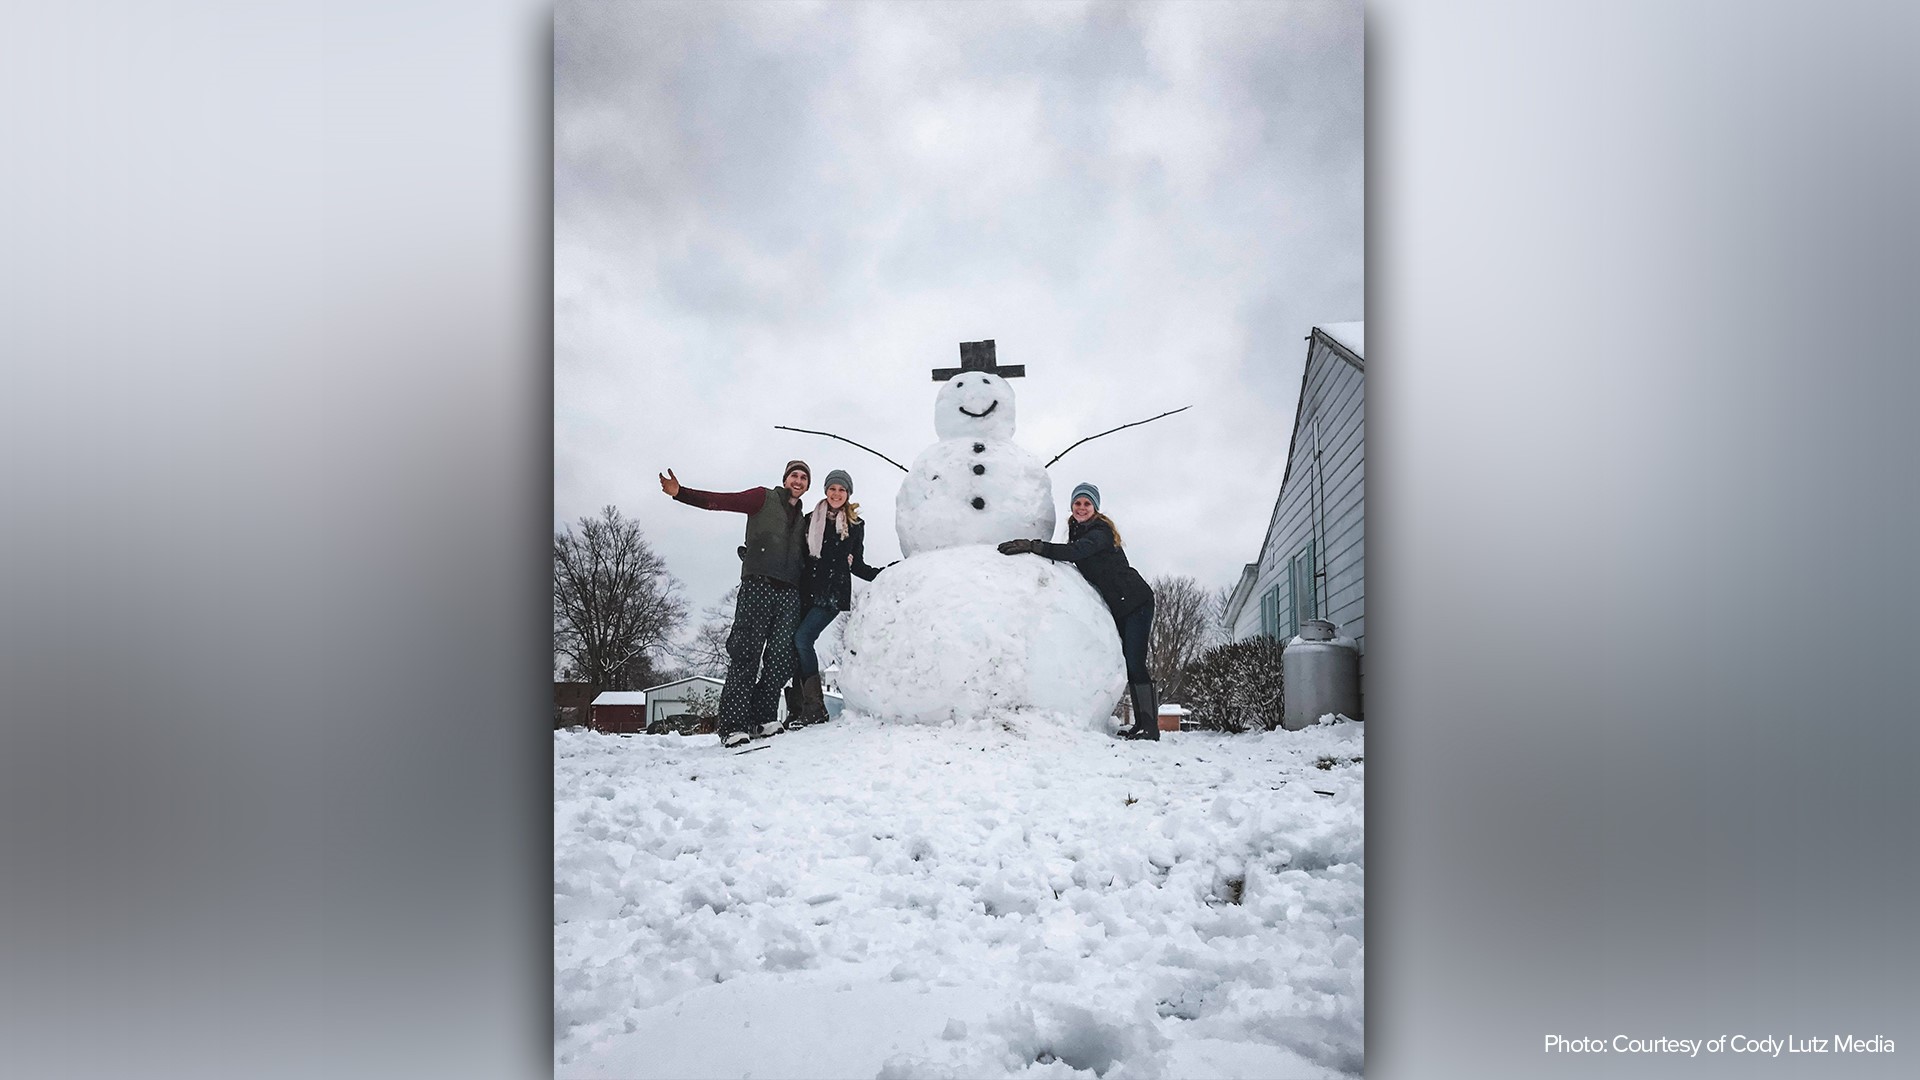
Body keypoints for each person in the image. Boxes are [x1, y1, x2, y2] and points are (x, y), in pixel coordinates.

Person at [660, 460, 812, 747]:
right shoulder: (762, 498)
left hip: (789, 593)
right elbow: (722, 501)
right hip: (758, 586)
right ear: (785, 478)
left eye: (804, 477)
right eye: (795, 474)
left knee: (781, 659)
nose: (799, 480)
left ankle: (763, 717)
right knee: (746, 655)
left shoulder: (805, 521)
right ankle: (733, 725)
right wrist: (681, 493)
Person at [997, 482, 1160, 740]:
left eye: (1087, 504)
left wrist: (1034, 545)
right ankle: (1142, 724)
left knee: (1135, 662)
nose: (1081, 508)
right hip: (1118, 604)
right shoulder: (1078, 530)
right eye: (1077, 503)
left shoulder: (1100, 532)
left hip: (1136, 602)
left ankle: (1150, 727)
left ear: (1095, 508)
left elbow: (1075, 552)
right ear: (1072, 506)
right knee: (1128, 663)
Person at [790, 469, 887, 726]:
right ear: (825, 491)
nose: (836, 493)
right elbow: (798, 555)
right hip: (806, 590)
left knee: (803, 638)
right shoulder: (810, 520)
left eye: (841, 490)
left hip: (832, 594)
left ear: (848, 494)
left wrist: (887, 573)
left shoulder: (855, 526)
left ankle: (815, 708)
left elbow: (857, 565)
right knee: (795, 645)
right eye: (832, 488)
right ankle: (797, 710)